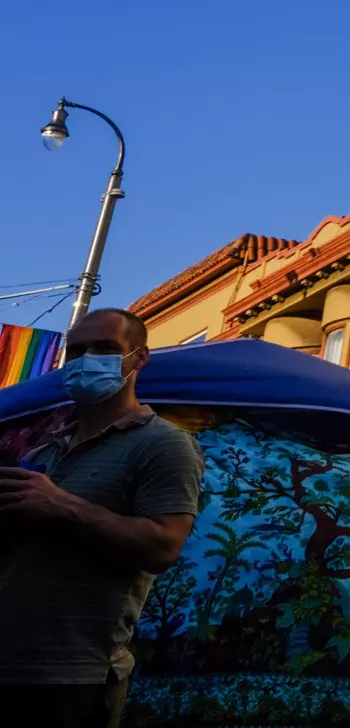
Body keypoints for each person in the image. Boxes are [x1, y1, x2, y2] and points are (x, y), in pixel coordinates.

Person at [0, 308, 202, 728]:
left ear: (139, 357)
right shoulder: (43, 448)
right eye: (76, 351)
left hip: (73, 677)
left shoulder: (164, 444)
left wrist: (62, 505)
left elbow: (163, 546)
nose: (87, 360)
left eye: (105, 348)